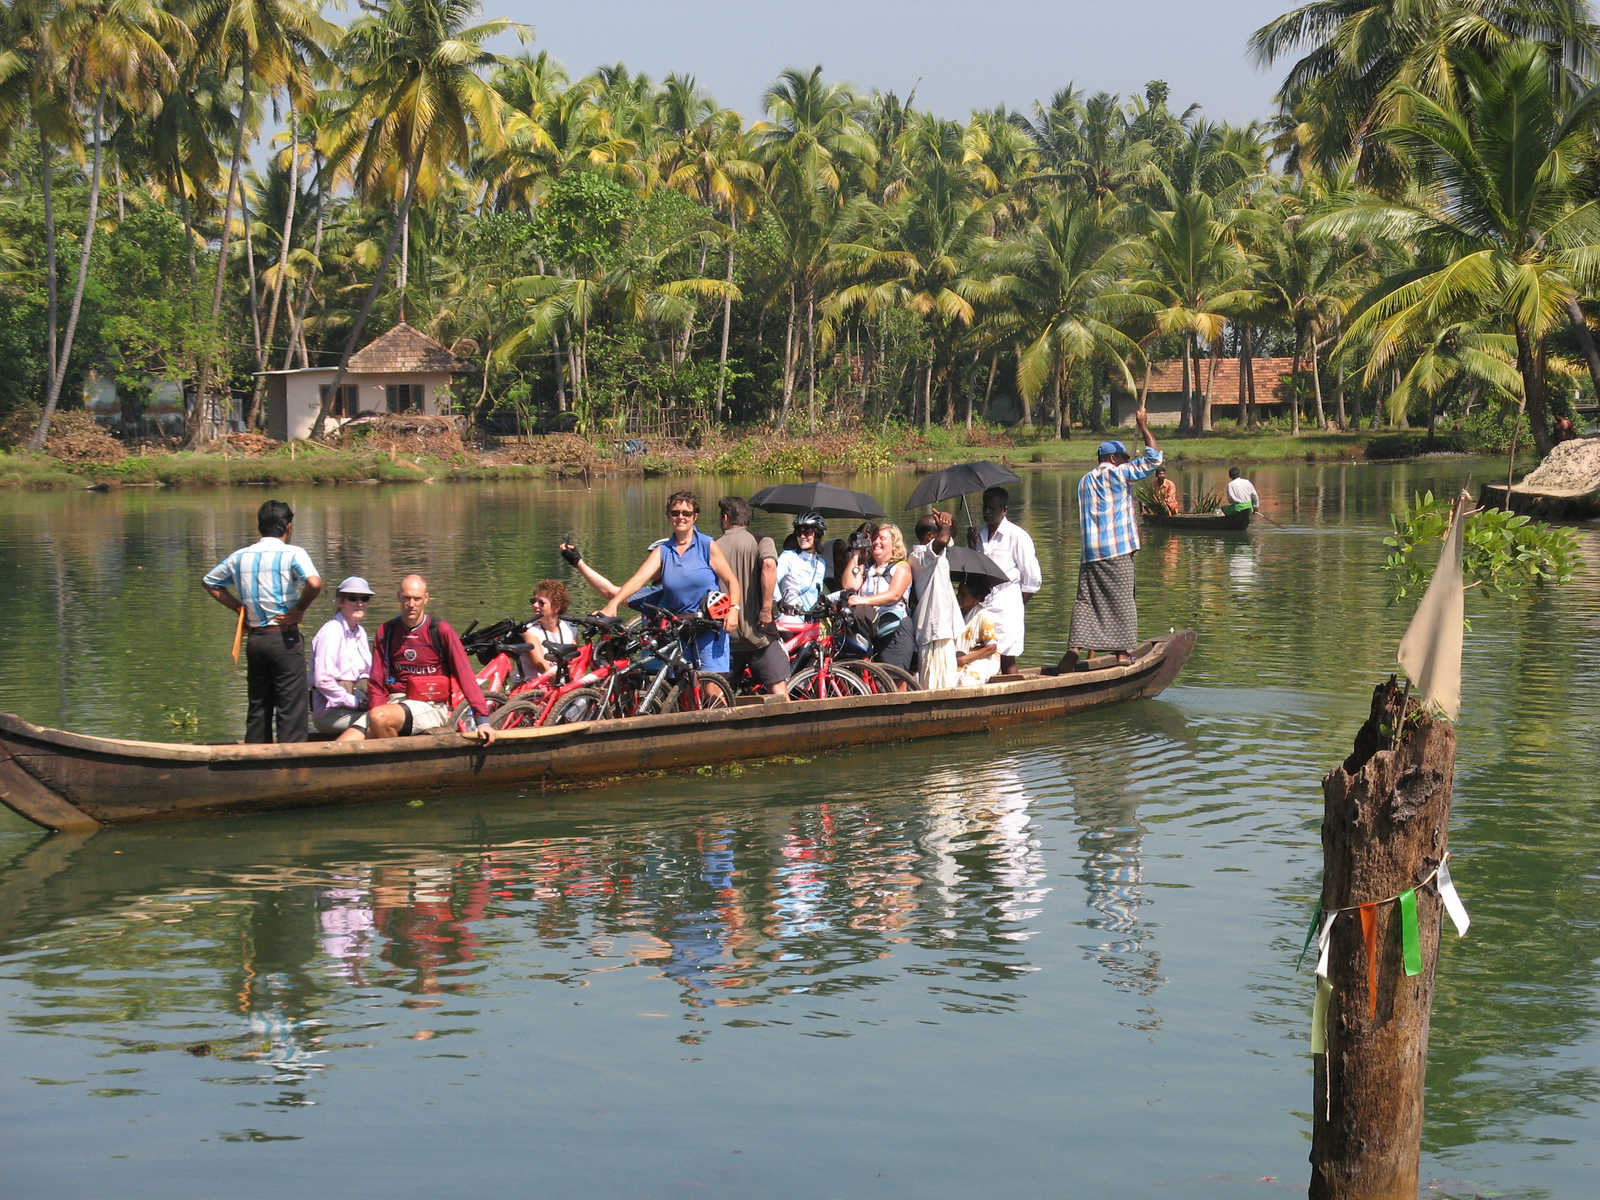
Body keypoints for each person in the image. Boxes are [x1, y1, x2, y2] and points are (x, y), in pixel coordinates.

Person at [202, 499, 323, 743]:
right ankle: (291, 764)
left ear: (260, 526)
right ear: (288, 527)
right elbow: (314, 583)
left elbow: (210, 582)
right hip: (284, 638)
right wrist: (300, 608)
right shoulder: (293, 553)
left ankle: (256, 757)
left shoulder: (240, 556)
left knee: (259, 705)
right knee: (291, 706)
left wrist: (239, 609)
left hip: (257, 640)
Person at [338, 575, 496, 744]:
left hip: (431, 705)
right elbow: (377, 683)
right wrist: (376, 717)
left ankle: (398, 766)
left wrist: (482, 720)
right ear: (399, 597)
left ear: (426, 599)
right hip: (392, 704)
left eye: (417, 599)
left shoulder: (441, 631)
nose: (411, 604)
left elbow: (465, 675)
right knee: (340, 745)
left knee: (380, 718)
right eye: (406, 598)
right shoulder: (386, 631)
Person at [596, 491, 740, 673]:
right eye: (675, 512)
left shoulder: (707, 545)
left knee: (712, 690)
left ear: (695, 517)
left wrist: (734, 609)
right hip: (677, 629)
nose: (681, 517)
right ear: (669, 516)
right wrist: (613, 603)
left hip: (708, 626)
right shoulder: (662, 551)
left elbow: (732, 580)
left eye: (686, 513)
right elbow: (638, 579)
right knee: (681, 688)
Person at [1069, 408, 1162, 665]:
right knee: (1123, 601)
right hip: (1118, 552)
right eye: (1123, 458)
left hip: (1091, 555)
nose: (1125, 461)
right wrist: (1143, 425)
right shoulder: (1120, 474)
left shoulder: (1083, 481)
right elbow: (1154, 459)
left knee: (1087, 601)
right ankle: (1121, 654)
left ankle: (1075, 647)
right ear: (1112, 458)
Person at [716, 496, 790, 699]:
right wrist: (766, 610)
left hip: (725, 637)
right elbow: (769, 565)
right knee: (779, 693)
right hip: (760, 635)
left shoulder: (712, 546)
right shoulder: (761, 541)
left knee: (718, 697)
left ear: (725, 518)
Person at [972, 486, 1042, 674]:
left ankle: (1014, 696)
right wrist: (971, 547)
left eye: (992, 509)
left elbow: (1033, 578)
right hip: (983, 603)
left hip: (1007, 602)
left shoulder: (1017, 536)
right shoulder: (978, 535)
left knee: (1006, 656)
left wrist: (1018, 604)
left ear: (1004, 510)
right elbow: (973, 570)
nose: (987, 512)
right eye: (984, 508)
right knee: (981, 654)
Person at [843, 523, 915, 674]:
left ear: (894, 543)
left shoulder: (901, 567)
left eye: (882, 538)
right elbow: (849, 585)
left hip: (894, 630)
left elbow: (894, 595)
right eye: (874, 539)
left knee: (896, 681)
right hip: (871, 631)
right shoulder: (867, 568)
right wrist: (857, 553)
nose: (876, 542)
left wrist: (863, 600)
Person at [310, 576, 374, 736]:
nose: (360, 603)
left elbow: (367, 674)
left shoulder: (360, 633)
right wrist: (355, 703)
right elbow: (322, 680)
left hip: (354, 703)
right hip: (330, 713)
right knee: (380, 722)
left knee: (391, 715)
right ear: (340, 602)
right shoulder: (331, 631)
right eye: (353, 598)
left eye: (364, 598)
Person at [909, 510, 960, 689]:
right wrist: (945, 526)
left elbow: (949, 536)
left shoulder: (937, 552)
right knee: (934, 680)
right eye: (939, 529)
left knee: (947, 675)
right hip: (933, 628)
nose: (944, 532)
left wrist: (949, 520)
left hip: (943, 626)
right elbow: (943, 539)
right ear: (931, 536)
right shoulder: (921, 556)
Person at [521, 578, 578, 678]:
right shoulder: (529, 630)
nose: (535, 605)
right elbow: (540, 664)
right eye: (534, 601)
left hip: (559, 684)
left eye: (541, 603)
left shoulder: (571, 629)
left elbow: (573, 662)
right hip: (534, 688)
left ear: (556, 607)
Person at [774, 512, 829, 614]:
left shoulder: (821, 563)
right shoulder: (788, 557)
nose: (802, 536)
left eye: (807, 532)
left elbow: (816, 595)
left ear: (817, 534)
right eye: (798, 532)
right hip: (790, 620)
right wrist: (779, 601)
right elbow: (771, 580)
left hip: (812, 620)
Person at [953, 579, 1001, 687]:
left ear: (977, 598)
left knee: (966, 680)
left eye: (963, 595)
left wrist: (965, 659)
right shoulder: (958, 614)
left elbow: (992, 648)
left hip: (984, 660)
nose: (958, 597)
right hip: (960, 659)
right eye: (958, 593)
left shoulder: (984, 616)